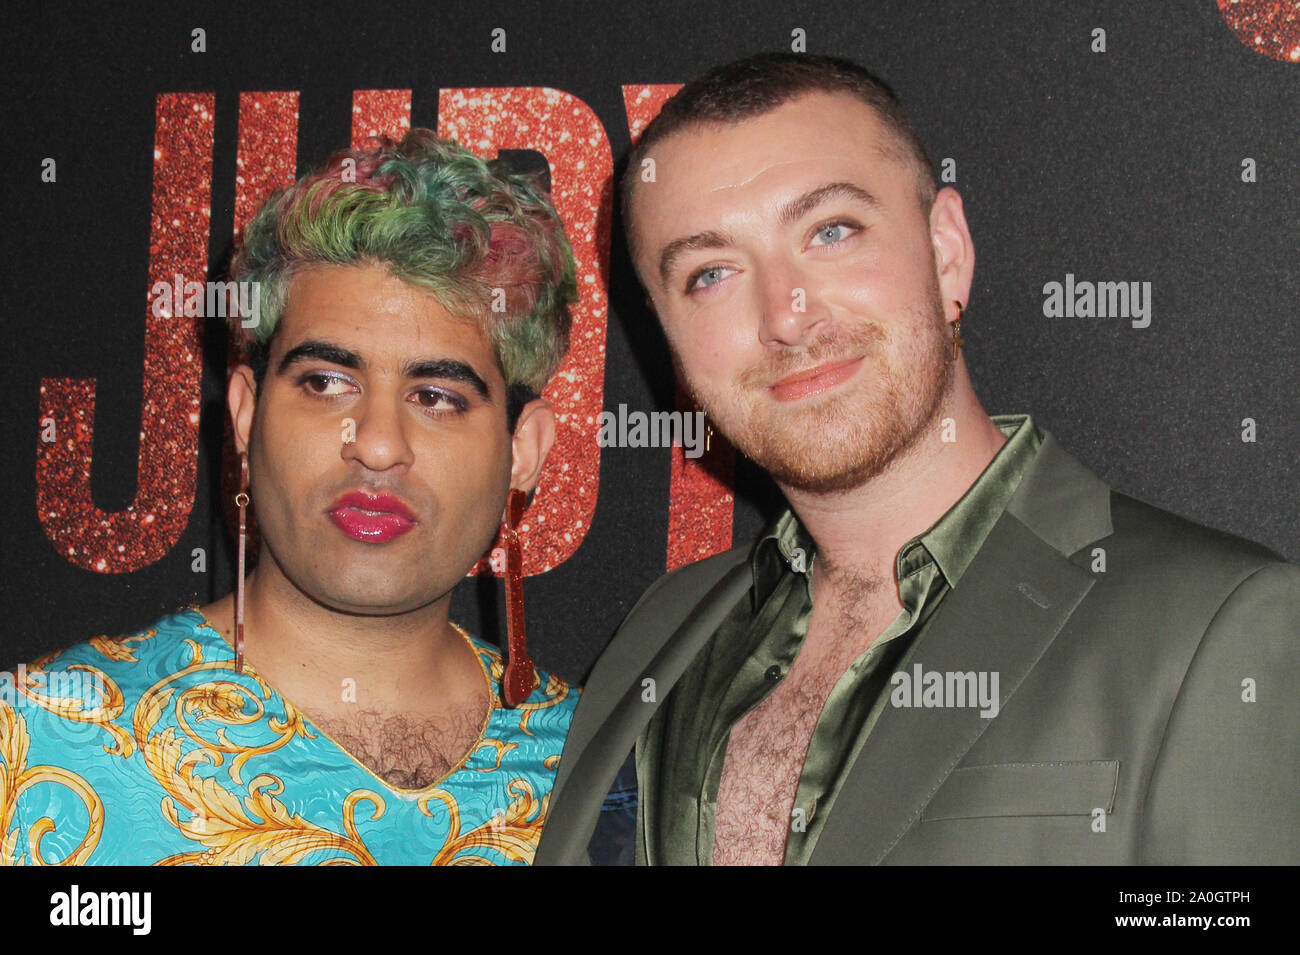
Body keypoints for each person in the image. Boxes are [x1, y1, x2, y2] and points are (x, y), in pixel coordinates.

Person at [535, 52, 1300, 865]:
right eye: (712, 272)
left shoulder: (1215, 627)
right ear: (668, 335)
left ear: (945, 253)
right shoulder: (658, 635)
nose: (787, 317)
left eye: (830, 232)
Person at [0, 129, 582, 865]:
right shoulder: (44, 744)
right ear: (245, 416)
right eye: (324, 382)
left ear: (523, 451)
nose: (374, 442)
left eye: (436, 396)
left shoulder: (606, 777)